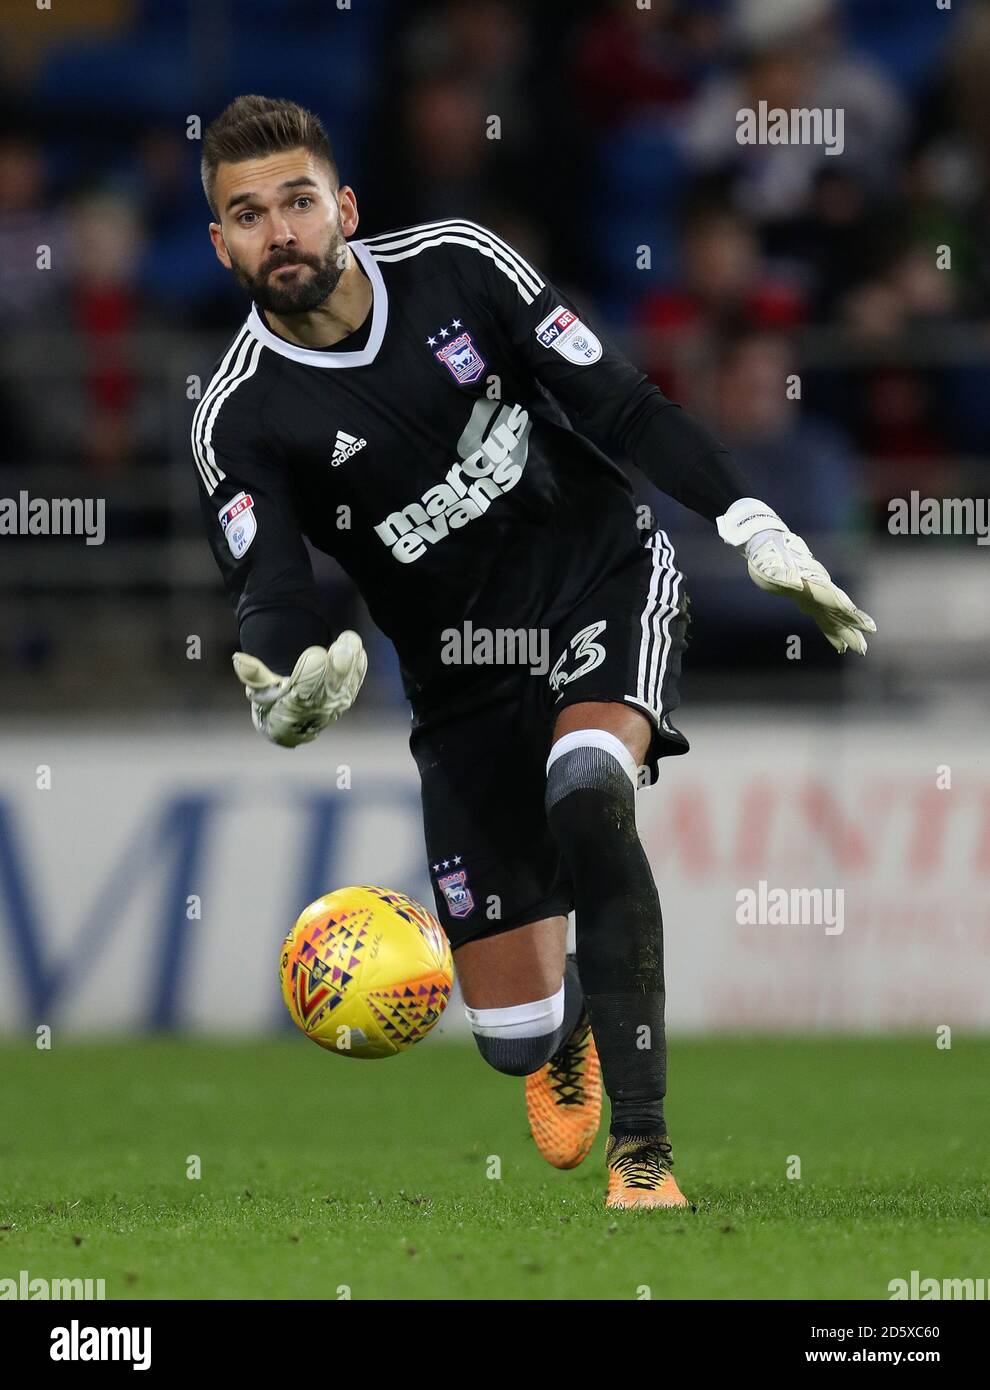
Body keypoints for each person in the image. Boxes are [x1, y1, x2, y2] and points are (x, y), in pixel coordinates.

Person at [192, 96, 875, 1209]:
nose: (281, 233)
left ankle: (644, 1152)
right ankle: (566, 1030)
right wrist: (279, 687)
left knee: (589, 785)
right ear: (220, 242)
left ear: (345, 208)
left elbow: (624, 405)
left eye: (299, 203)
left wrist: (752, 521)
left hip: (599, 577)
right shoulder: (237, 414)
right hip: (458, 683)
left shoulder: (460, 267)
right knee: (510, 1036)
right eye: (248, 215)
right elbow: (268, 591)